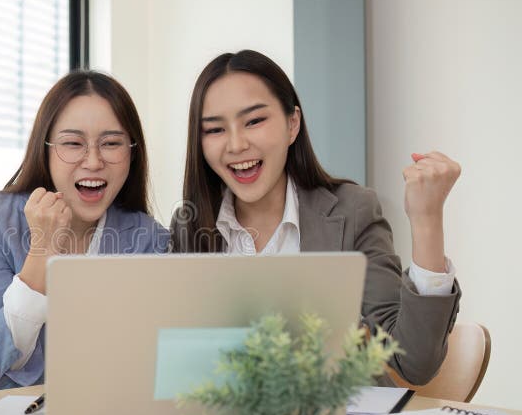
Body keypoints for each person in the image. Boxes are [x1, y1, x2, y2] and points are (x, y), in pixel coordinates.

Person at [171, 50, 461, 385]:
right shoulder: (187, 227)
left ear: (292, 124)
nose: (236, 145)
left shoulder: (353, 212)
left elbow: (414, 363)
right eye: (215, 130)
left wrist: (427, 220)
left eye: (254, 121)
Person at [0, 70, 169, 389]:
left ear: (132, 152)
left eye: (111, 143)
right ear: (45, 149)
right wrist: (41, 253)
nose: (94, 161)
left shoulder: (149, 238)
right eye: (73, 143)